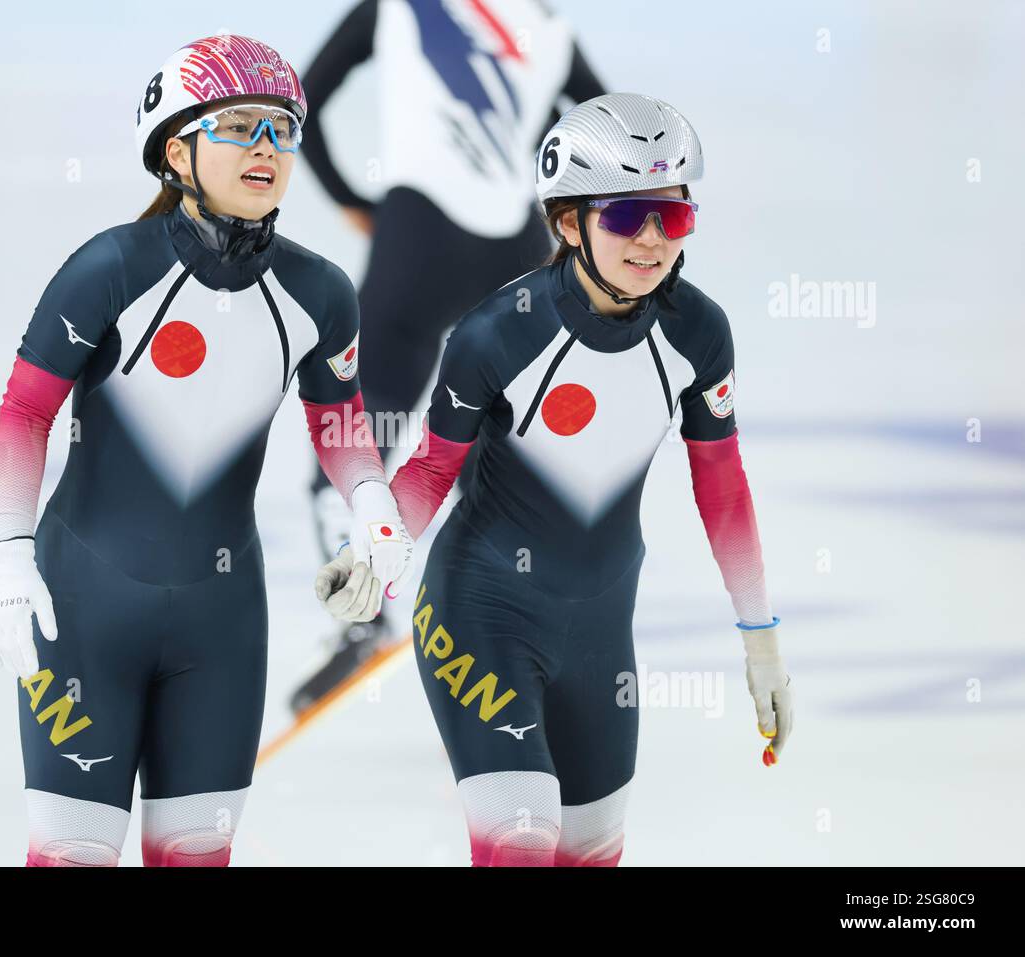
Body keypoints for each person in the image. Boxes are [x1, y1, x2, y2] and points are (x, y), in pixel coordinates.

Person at [319, 92, 794, 866]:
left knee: (590, 851)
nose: (650, 241)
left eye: (671, 218)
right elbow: (435, 465)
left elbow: (723, 485)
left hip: (600, 632)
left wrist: (761, 637)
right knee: (521, 837)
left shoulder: (699, 334)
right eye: (624, 217)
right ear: (569, 222)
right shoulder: (498, 332)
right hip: (480, 612)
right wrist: (373, 544)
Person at [0, 34, 411, 867]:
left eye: (282, 130)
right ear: (177, 149)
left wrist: (373, 509)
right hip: (82, 612)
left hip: (220, 626)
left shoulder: (320, 293)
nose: (267, 147)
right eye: (241, 126)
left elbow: (341, 426)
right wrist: (9, 560)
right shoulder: (108, 267)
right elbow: (22, 415)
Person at [292, 0, 608, 712]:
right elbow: (615, 140)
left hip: (414, 243)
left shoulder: (396, 7)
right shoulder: (552, 31)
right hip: (517, 253)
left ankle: (362, 622)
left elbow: (302, 103)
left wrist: (353, 202)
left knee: (352, 446)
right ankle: (506, 638)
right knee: (503, 473)